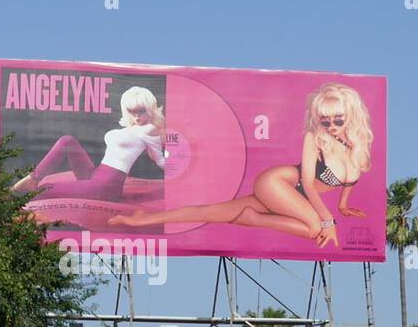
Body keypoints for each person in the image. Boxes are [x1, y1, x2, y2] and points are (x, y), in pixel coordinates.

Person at [108, 82, 373, 246]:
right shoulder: (315, 137)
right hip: (278, 183)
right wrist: (329, 221)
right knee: (315, 227)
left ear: (351, 115)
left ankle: (143, 220)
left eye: (337, 119)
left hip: (293, 196)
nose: (331, 126)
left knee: (211, 212)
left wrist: (343, 205)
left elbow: (350, 179)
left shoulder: (359, 147)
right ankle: (253, 219)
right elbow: (311, 186)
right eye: (325, 120)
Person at [11, 86, 166, 202]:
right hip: (96, 174)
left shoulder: (150, 129)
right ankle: (33, 178)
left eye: (141, 111)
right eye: (132, 111)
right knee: (67, 141)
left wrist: (184, 173)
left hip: (106, 187)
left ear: (150, 109)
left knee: (45, 190)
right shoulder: (132, 128)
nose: (137, 116)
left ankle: (22, 195)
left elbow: (159, 160)